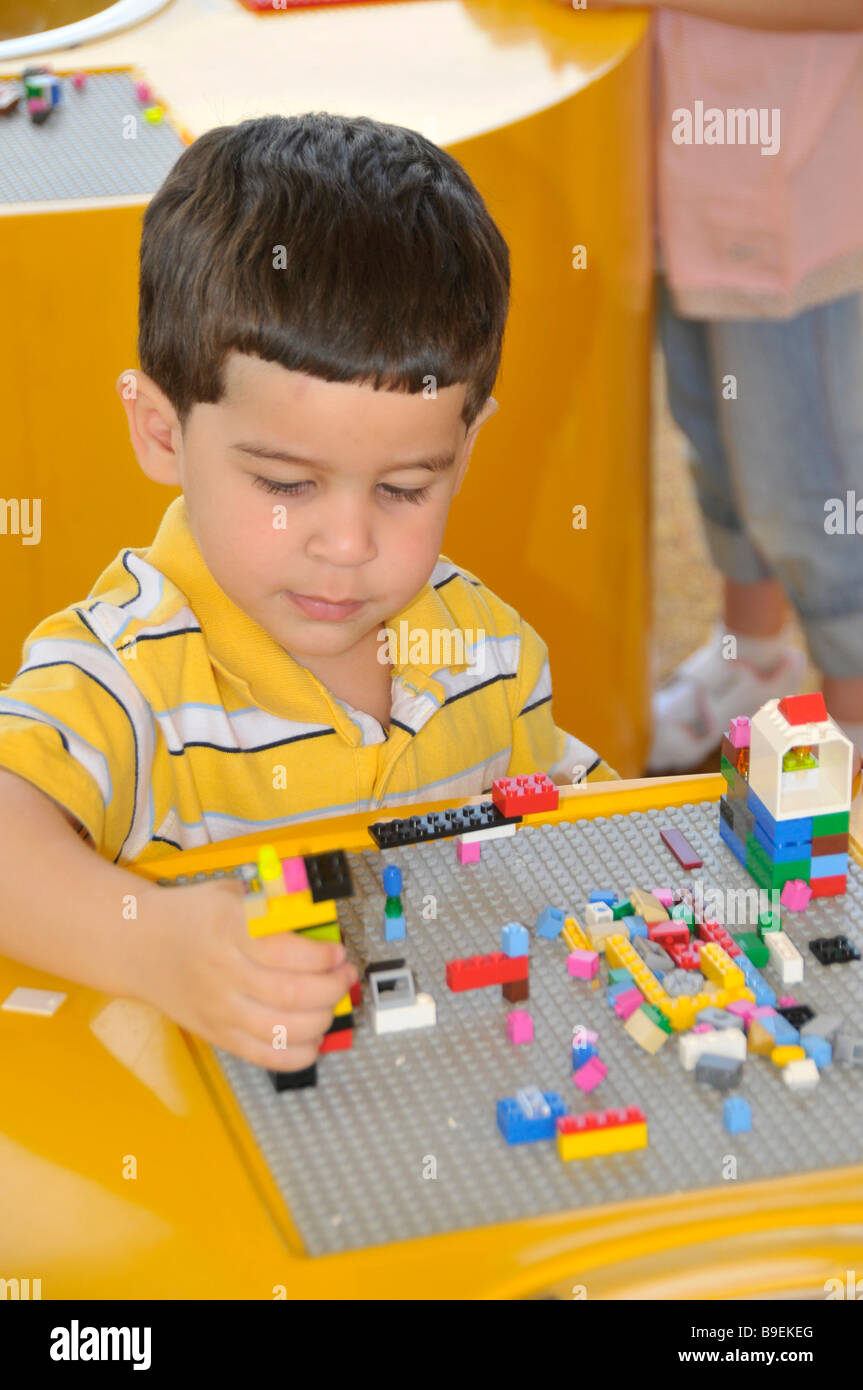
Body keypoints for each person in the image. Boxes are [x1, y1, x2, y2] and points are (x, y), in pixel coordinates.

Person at [0, 113, 614, 1074]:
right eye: (286, 486)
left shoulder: (492, 651)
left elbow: (574, 832)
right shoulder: (128, 667)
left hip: (447, 1119)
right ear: (162, 434)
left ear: (467, 446)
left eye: (406, 488)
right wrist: (153, 945)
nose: (346, 543)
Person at [556, 0, 863, 770]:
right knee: (717, 440)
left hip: (803, 198)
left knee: (812, 485)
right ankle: (751, 655)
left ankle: (853, 719)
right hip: (681, 178)